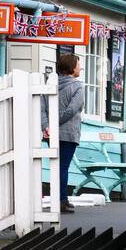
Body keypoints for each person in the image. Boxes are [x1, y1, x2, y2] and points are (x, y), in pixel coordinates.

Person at [41, 52, 84, 214]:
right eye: (78, 65)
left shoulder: (49, 84)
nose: (80, 68)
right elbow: (73, 109)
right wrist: (56, 122)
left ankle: (57, 198)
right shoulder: (78, 86)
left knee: (55, 166)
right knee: (63, 167)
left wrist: (47, 125)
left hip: (51, 133)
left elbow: (42, 108)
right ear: (72, 68)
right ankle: (62, 200)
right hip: (69, 133)